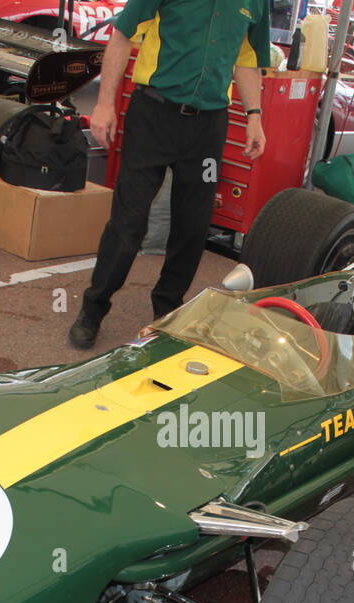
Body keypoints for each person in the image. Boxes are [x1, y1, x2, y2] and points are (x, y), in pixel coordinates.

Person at [68, 0, 271, 350]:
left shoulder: (255, 3)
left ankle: (168, 312)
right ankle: (93, 308)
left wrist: (254, 115)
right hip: (153, 115)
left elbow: (249, 60)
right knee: (129, 223)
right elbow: (122, 35)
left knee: (193, 227)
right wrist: (104, 103)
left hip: (208, 127)